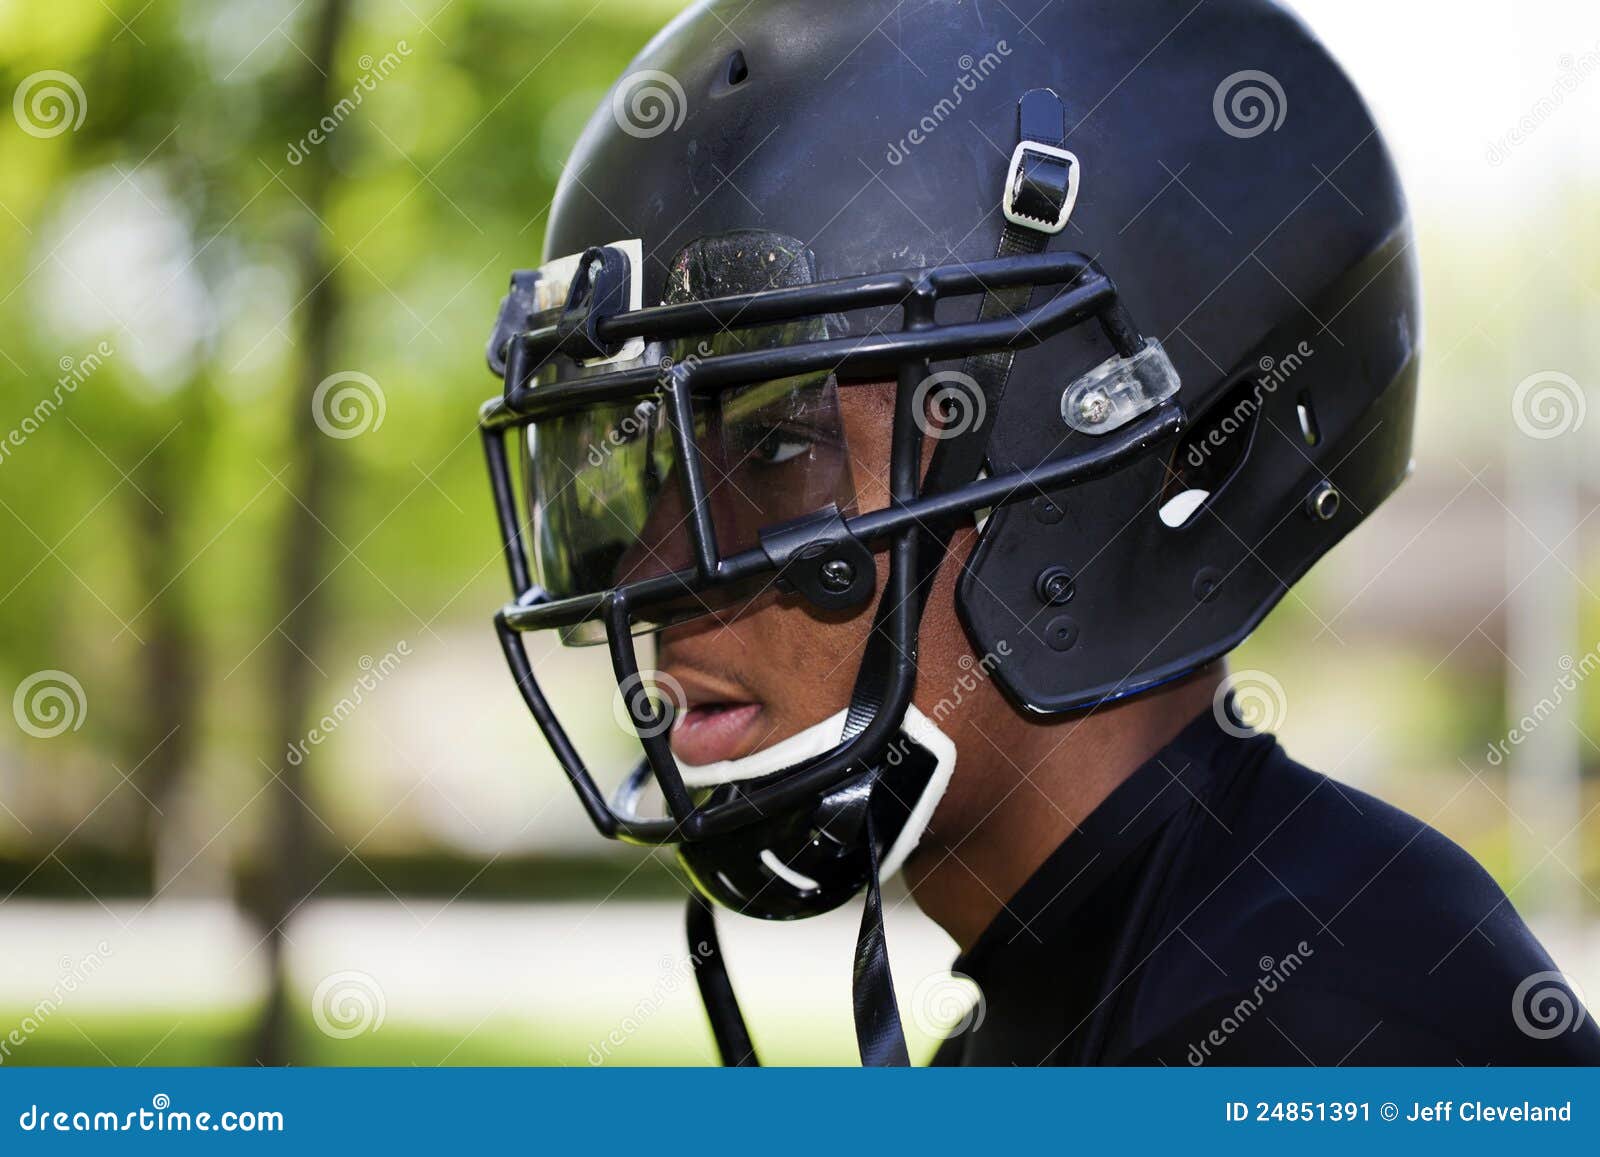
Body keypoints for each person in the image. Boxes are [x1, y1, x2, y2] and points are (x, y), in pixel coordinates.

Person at [474, 0, 1600, 1065]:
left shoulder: (1346, 1022)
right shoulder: (1100, 992)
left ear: (1120, 458)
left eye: (777, 444)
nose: (656, 567)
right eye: (657, 462)